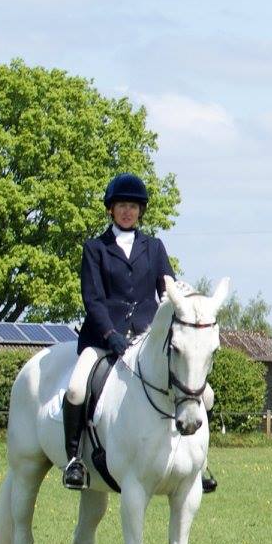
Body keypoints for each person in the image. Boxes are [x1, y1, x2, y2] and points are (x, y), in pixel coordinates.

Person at [62, 173, 176, 490]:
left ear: (140, 211)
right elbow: (93, 300)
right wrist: (111, 334)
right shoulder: (95, 248)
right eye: (121, 205)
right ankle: (74, 460)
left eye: (133, 206)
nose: (127, 211)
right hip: (103, 339)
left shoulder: (154, 248)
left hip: (146, 339)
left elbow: (168, 290)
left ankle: (198, 462)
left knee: (194, 387)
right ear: (111, 210)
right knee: (75, 388)